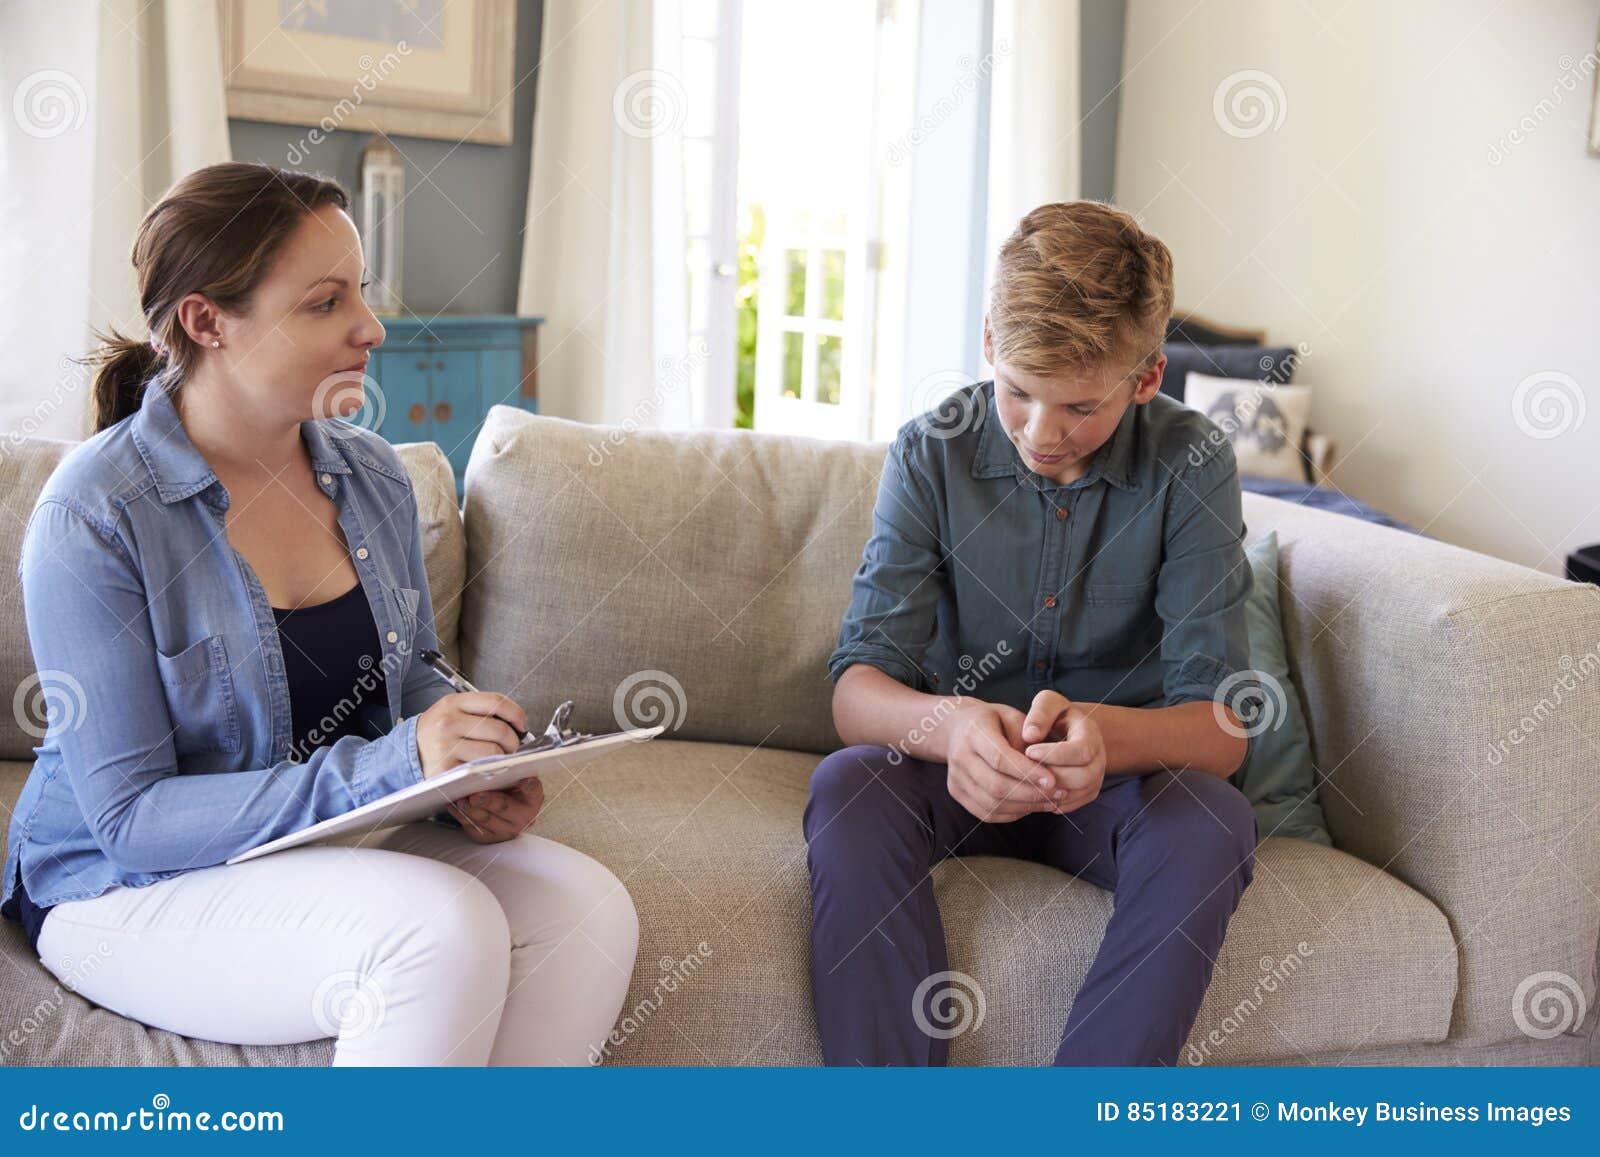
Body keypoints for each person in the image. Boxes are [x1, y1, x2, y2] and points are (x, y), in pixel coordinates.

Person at [0, 162, 638, 1066]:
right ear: (207, 321)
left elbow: (405, 671)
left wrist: (463, 767)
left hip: (302, 846)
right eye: (325, 302)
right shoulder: (96, 514)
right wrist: (390, 764)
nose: (370, 328)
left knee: (590, 910)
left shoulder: (368, 473)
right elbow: (133, 819)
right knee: (435, 931)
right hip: (118, 887)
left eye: (361, 293)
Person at [805, 200, 1261, 1066]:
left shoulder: (1194, 461)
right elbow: (857, 688)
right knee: (849, 788)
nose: (1042, 434)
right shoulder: (930, 452)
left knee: (1212, 818)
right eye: (1018, 392)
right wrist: (955, 725)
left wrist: (1105, 735)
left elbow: (1221, 727)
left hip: (1118, 791)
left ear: (1147, 377)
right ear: (987, 343)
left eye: (1080, 407)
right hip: (951, 779)